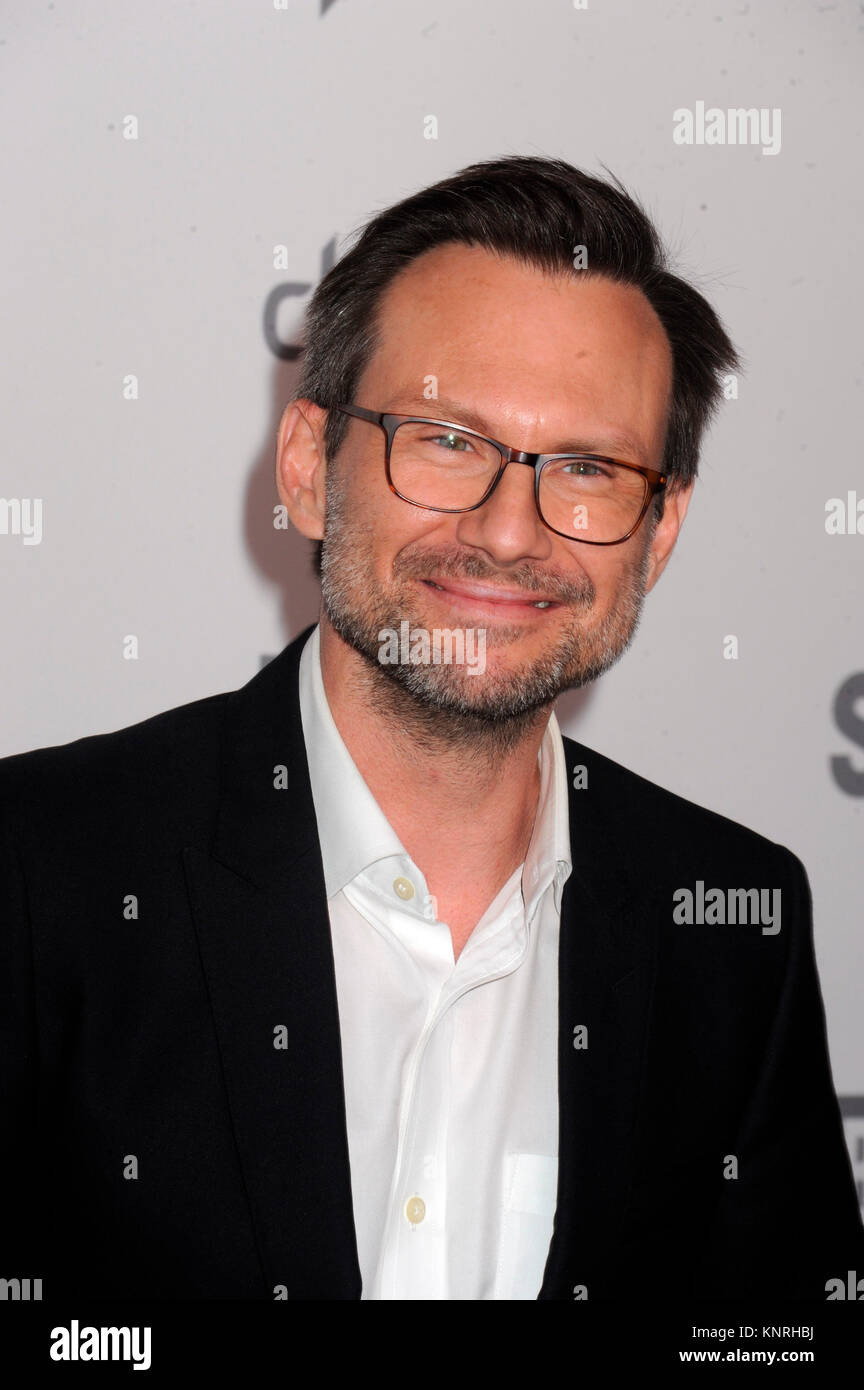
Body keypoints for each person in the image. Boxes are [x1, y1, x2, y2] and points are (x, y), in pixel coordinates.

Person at [1, 156, 861, 1302]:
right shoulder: (38, 867)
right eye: (448, 440)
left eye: (589, 467)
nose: (511, 533)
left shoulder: (728, 920)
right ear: (309, 468)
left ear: (657, 534)